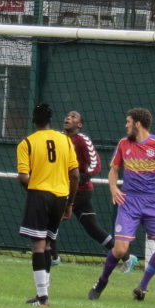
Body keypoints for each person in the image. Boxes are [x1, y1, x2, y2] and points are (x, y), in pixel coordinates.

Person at [88, 108, 155, 305]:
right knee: (120, 250)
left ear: (137, 123)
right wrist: (113, 188)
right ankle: (101, 283)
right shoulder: (123, 144)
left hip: (151, 203)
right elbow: (114, 170)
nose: (126, 125)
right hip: (129, 203)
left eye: (128, 122)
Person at [17, 103, 79, 307]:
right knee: (48, 244)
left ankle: (42, 297)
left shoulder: (27, 143)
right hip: (61, 196)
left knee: (37, 245)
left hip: (39, 195)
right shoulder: (65, 141)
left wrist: (35, 192)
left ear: (33, 120)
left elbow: (23, 177)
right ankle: (43, 294)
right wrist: (70, 203)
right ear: (50, 120)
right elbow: (75, 175)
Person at [48, 110, 115, 265]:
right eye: (67, 116)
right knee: (91, 227)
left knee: (50, 218)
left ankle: (53, 257)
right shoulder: (59, 138)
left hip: (80, 191)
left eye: (73, 117)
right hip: (65, 188)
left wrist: (84, 177)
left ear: (79, 125)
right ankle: (125, 256)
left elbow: (96, 163)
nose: (68, 118)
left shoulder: (82, 140)